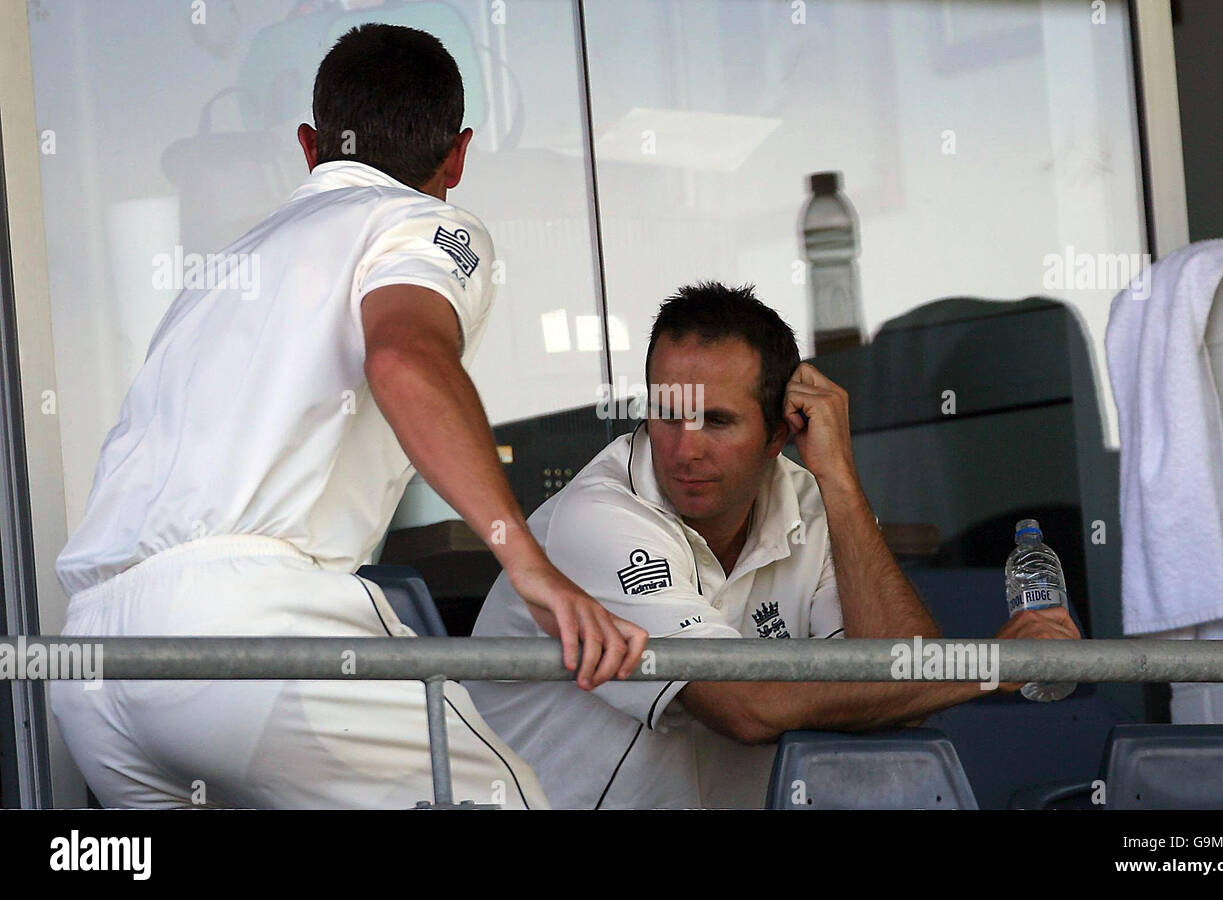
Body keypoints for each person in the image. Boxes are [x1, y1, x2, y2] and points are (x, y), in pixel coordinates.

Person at [49, 23, 645, 810]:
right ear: (459, 155)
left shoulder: (221, 274)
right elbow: (404, 358)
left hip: (93, 666)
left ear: (310, 147)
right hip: (242, 629)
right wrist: (524, 561)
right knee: (507, 799)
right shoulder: (418, 223)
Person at [465, 281, 1080, 808]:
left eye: (719, 421)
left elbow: (899, 683)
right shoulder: (597, 517)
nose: (685, 449)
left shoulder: (807, 496)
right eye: (668, 415)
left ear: (780, 431)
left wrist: (838, 477)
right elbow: (746, 707)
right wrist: (989, 666)